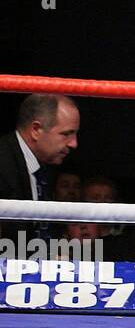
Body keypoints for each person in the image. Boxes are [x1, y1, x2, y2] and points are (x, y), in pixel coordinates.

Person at [0, 94, 79, 242]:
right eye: (66, 134)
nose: (73, 143)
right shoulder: (4, 162)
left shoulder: (42, 167)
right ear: (36, 130)